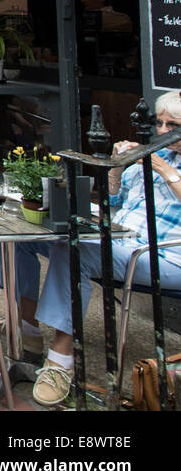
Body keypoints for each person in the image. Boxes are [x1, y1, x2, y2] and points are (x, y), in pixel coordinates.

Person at [14, 91, 181, 407]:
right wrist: (116, 168)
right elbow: (113, 205)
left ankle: (60, 364)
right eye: (158, 122)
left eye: (171, 124)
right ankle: (28, 333)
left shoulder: (162, 163)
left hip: (164, 255)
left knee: (76, 251)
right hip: (121, 240)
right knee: (26, 235)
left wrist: (164, 171)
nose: (161, 130)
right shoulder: (154, 154)